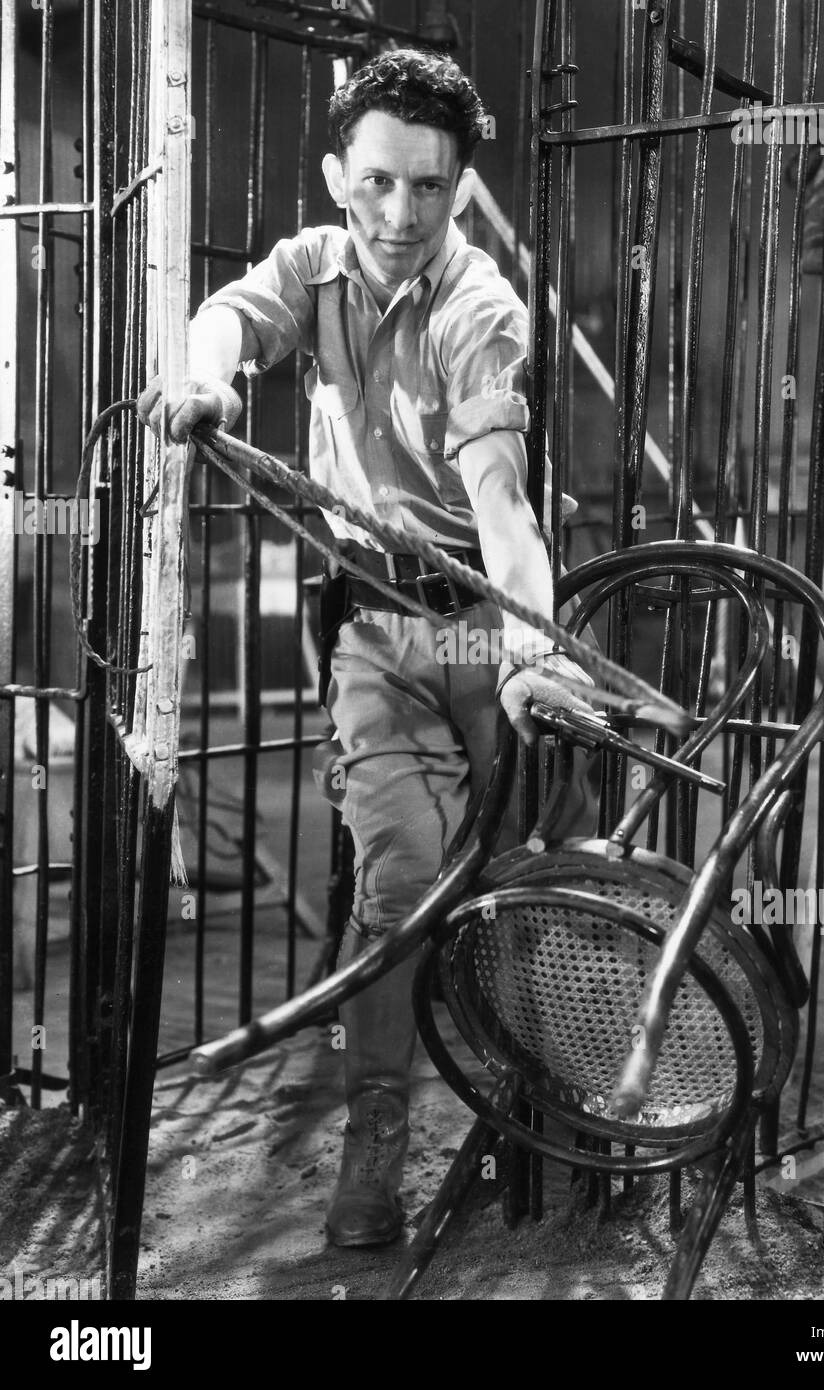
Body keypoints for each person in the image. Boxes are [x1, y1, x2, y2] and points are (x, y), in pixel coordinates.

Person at [137, 47, 594, 1248]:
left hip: (492, 631)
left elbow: (503, 507)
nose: (403, 214)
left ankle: (552, 1123)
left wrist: (533, 653)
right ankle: (377, 1135)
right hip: (375, 640)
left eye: (432, 188)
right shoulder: (313, 265)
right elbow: (229, 315)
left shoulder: (481, 309)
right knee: (396, 887)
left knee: (522, 886)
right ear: (341, 173)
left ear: (457, 188)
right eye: (380, 182)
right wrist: (209, 383)